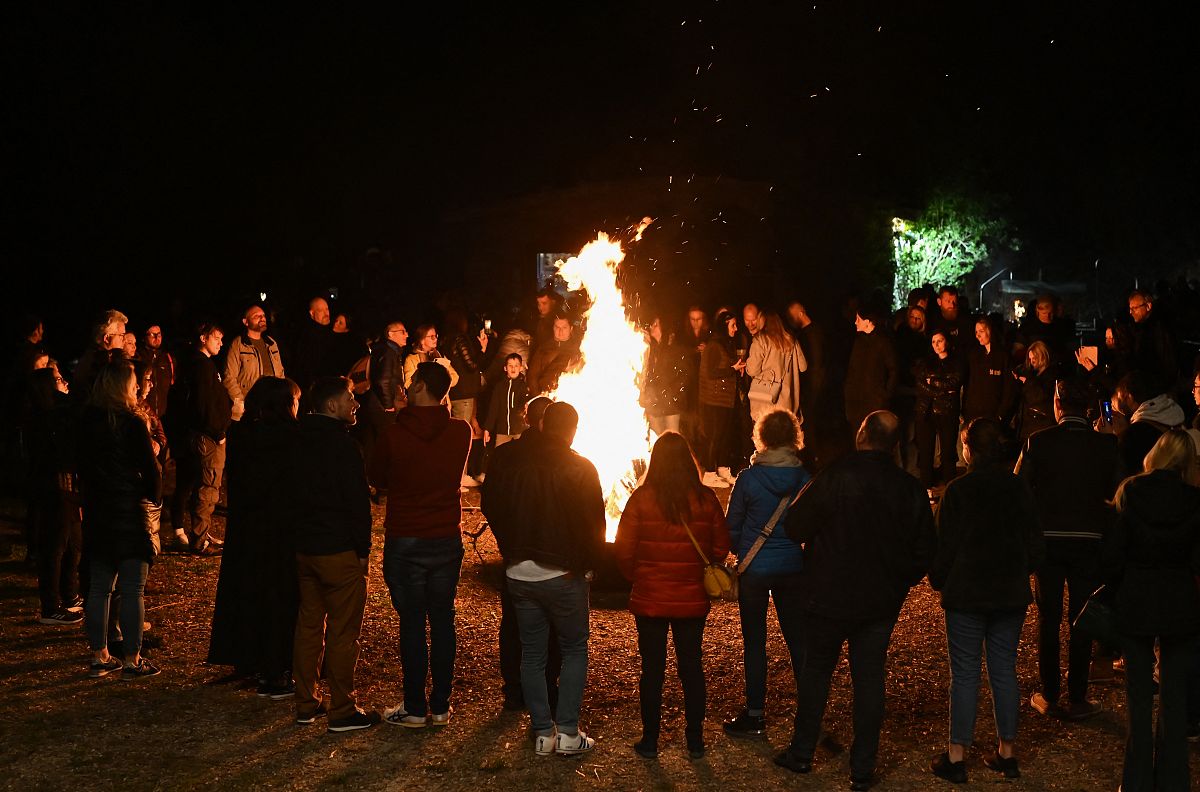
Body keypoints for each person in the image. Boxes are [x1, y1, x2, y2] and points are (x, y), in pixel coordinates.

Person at [778, 411, 935, 789]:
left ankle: (802, 753)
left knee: (816, 672)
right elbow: (925, 550)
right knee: (869, 679)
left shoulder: (835, 475)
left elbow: (795, 525)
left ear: (862, 434)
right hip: (879, 601)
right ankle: (862, 768)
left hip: (827, 595)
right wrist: (899, 582)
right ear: (894, 445)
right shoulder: (908, 488)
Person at [486, 401, 606, 756]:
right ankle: (567, 731)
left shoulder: (508, 461)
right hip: (562, 572)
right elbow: (594, 524)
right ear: (572, 430)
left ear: (541, 424)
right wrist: (589, 564)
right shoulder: (580, 466)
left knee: (532, 653)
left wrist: (510, 547)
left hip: (519, 573)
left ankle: (542, 731)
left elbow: (491, 505)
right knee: (574, 649)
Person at [928, 418, 1044, 784]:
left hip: (967, 592)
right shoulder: (1018, 488)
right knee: (1004, 669)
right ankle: (1007, 751)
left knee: (964, 673)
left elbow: (943, 545)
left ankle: (957, 755)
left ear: (970, 449)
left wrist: (939, 578)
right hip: (1008, 591)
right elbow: (1035, 544)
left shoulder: (958, 491)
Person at [613, 431, 730, 760]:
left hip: (650, 597)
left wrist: (637, 576)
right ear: (688, 462)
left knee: (652, 670)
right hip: (691, 598)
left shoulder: (641, 499)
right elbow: (721, 547)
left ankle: (650, 739)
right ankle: (695, 740)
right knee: (691, 667)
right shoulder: (706, 499)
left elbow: (623, 548)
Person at [372, 362, 472, 728]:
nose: (406, 385)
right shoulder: (460, 431)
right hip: (445, 536)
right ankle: (441, 704)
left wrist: (400, 416)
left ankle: (415, 706)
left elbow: (377, 474)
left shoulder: (395, 433)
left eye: (412, 380)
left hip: (407, 536)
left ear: (421, 387)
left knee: (412, 622)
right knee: (443, 619)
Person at [1015, 377, 1121, 720]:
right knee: (1082, 616)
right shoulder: (1106, 445)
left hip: (1048, 538)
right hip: (1089, 539)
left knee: (1048, 617)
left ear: (1057, 404)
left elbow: (1020, 489)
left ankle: (1049, 693)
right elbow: (1117, 493)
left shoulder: (1038, 441)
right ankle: (1077, 695)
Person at [1103, 430, 1200, 792]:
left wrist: (1115, 586)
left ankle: (1137, 779)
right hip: (1179, 599)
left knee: (1138, 694)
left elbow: (1114, 553)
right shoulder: (1194, 500)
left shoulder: (1130, 491)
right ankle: (1174, 780)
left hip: (1137, 596)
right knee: (1174, 695)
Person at [291, 377, 379, 732]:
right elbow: (357, 503)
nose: (356, 404)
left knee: (309, 626)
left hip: (305, 547)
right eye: (350, 398)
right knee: (344, 631)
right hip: (338, 548)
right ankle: (342, 709)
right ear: (331, 405)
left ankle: (305, 702)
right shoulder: (344, 446)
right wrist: (363, 550)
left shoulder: (296, 441)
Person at [207, 376, 301, 698]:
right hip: (280, 529)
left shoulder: (242, 433)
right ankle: (276, 667)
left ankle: (247, 654)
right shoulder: (289, 437)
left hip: (247, 526)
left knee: (248, 589)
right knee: (279, 597)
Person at [722, 409, 810, 740]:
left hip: (754, 568)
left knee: (755, 642)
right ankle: (809, 709)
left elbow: (732, 527)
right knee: (798, 639)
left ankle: (756, 714)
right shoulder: (804, 478)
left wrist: (742, 550)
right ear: (794, 437)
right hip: (792, 568)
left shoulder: (748, 479)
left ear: (762, 437)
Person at [77, 360, 162, 679]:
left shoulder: (87, 422)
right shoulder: (131, 422)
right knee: (132, 589)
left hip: (99, 511)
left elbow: (82, 465)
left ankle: (99, 655)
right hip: (128, 510)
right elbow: (151, 469)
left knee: (100, 588)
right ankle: (132, 659)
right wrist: (153, 497)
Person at [481, 395, 562, 711]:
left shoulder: (504, 455)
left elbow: (490, 504)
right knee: (552, 625)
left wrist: (507, 541)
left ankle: (515, 689)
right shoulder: (564, 458)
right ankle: (547, 687)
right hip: (552, 557)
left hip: (515, 555)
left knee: (514, 625)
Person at [24, 369, 82, 625]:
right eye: (58, 380)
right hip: (55, 488)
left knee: (73, 542)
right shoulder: (45, 419)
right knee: (56, 545)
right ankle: (50, 606)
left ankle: (69, 595)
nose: (65, 382)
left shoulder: (58, 414)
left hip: (66, 487)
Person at [170, 321, 232, 555]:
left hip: (206, 434)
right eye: (216, 338)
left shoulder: (203, 364)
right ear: (203, 338)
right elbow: (204, 404)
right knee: (208, 486)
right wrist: (218, 432)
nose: (221, 343)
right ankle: (200, 539)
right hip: (208, 436)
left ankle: (202, 532)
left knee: (207, 485)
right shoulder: (201, 365)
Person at [913, 330, 966, 489]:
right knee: (926, 452)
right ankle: (926, 487)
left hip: (947, 411)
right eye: (933, 341)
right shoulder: (926, 362)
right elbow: (920, 383)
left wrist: (933, 382)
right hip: (926, 411)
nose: (936, 345)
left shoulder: (957, 362)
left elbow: (955, 383)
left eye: (940, 341)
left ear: (947, 342)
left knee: (948, 452)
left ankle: (950, 487)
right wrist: (941, 391)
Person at [223, 304, 286, 422]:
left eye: (263, 315)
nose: (262, 318)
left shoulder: (271, 343)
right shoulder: (239, 344)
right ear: (245, 322)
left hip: (272, 405)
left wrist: (282, 396)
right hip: (251, 407)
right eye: (256, 316)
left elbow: (280, 372)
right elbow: (229, 377)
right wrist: (242, 402)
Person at [698, 309, 739, 486]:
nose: (736, 328)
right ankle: (709, 473)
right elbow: (711, 372)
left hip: (725, 399)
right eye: (733, 325)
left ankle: (722, 469)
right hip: (714, 400)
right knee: (714, 436)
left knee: (724, 436)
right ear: (724, 325)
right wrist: (732, 369)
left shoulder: (725, 343)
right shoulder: (714, 345)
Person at [743, 312, 806, 423]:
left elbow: (753, 370)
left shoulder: (760, 340)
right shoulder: (792, 340)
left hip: (765, 403)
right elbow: (803, 367)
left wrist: (747, 364)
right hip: (788, 404)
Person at [843, 308, 898, 435]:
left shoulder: (883, 342)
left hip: (875, 401)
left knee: (874, 435)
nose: (855, 322)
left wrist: (886, 394)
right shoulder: (858, 341)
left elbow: (893, 369)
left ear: (867, 321)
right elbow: (852, 369)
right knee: (858, 435)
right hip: (857, 401)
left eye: (858, 319)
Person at [641, 316, 690, 436]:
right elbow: (645, 372)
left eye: (656, 325)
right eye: (652, 324)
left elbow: (684, 375)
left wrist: (670, 393)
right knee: (657, 438)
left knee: (672, 437)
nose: (652, 327)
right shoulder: (650, 348)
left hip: (671, 403)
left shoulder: (675, 349)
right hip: (654, 403)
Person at [962, 317, 1014, 425]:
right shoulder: (974, 356)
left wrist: (1001, 414)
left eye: (981, 331)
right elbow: (969, 385)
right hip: (974, 414)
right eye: (976, 332)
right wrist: (965, 411)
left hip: (994, 416)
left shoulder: (1003, 356)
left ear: (990, 331)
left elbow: (1009, 388)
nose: (977, 335)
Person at [481, 352, 529, 449]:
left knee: (519, 455)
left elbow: (526, 405)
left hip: (519, 432)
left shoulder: (524, 387)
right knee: (499, 455)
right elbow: (493, 409)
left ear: (521, 368)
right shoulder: (499, 387)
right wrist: (487, 429)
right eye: (510, 365)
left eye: (516, 366)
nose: (513, 368)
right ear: (505, 368)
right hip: (502, 432)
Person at [526, 316, 580, 396]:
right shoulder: (544, 348)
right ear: (553, 328)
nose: (560, 331)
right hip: (545, 394)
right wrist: (538, 396)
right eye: (557, 327)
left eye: (564, 327)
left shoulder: (577, 349)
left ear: (571, 329)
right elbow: (532, 376)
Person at [1015, 341, 1056, 442]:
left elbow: (1041, 397)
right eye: (1030, 359)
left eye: (1034, 358)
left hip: (1041, 425)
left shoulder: (1051, 375)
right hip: (1029, 425)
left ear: (1042, 357)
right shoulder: (1033, 374)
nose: (1032, 362)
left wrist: (1027, 382)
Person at [402, 324, 459, 392]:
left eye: (436, 336)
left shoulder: (439, 355)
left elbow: (455, 377)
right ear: (422, 340)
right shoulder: (411, 359)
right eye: (432, 337)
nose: (435, 339)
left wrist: (442, 382)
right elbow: (408, 384)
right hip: (423, 398)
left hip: (442, 398)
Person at [137, 325, 174, 419]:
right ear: (144, 337)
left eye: (159, 334)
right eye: (153, 335)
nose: (157, 338)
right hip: (142, 414)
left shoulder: (168, 359)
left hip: (163, 417)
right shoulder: (138, 358)